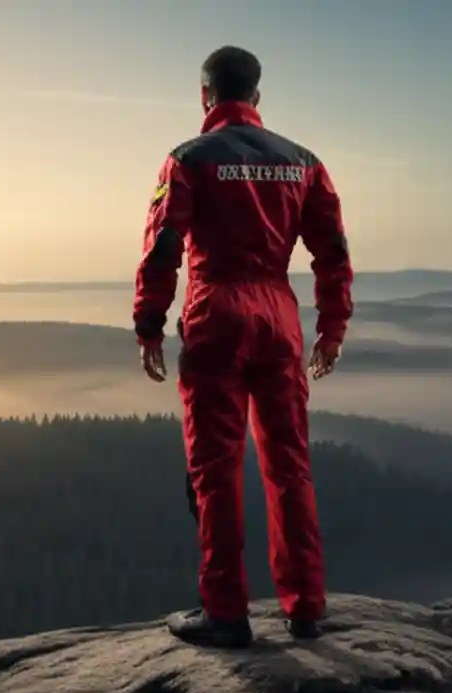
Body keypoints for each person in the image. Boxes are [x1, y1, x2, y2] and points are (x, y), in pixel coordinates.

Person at [133, 46, 354, 647]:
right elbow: (332, 249)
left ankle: (226, 612)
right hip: (279, 315)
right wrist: (331, 328)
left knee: (216, 466)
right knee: (289, 462)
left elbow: (162, 246)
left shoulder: (186, 159)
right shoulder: (303, 162)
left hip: (216, 313)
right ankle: (305, 606)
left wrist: (148, 324)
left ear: (205, 97)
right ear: (257, 98)